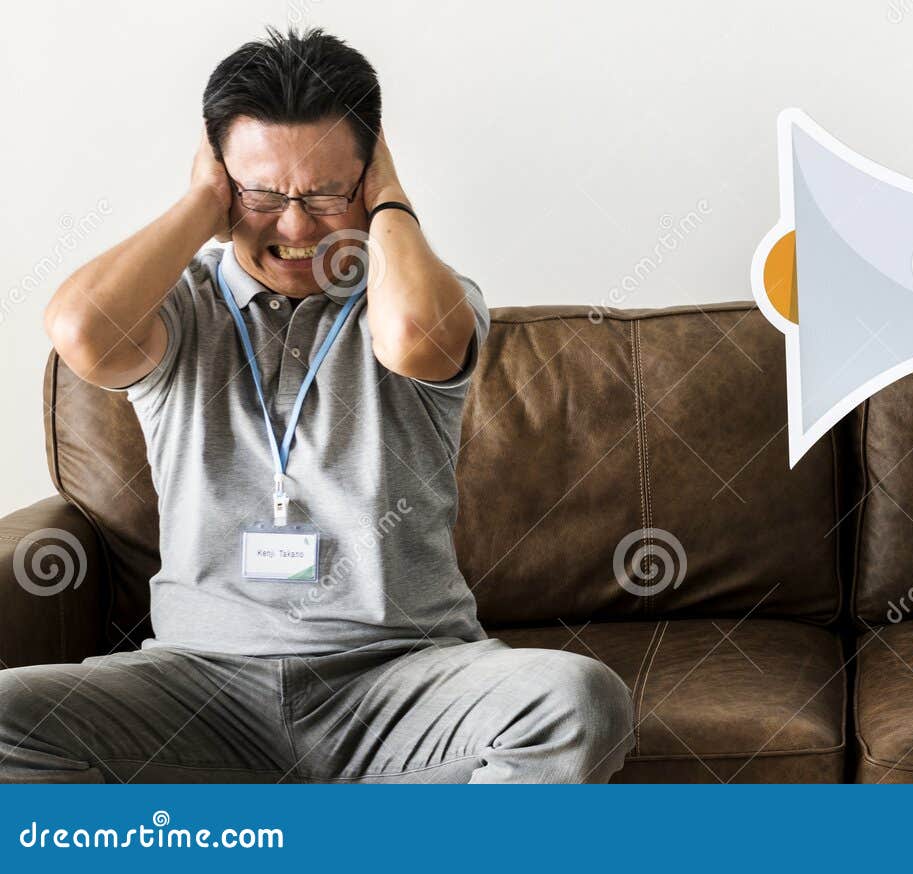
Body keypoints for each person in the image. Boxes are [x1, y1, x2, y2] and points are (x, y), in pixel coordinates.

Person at [2, 27, 633, 783]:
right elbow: (80, 330)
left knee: (578, 702)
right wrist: (200, 202)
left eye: (328, 193)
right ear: (220, 178)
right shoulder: (178, 309)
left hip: (401, 677)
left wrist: (392, 199)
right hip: (203, 686)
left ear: (368, 178)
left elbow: (412, 337)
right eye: (262, 195)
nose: (296, 227)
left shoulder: (419, 296)